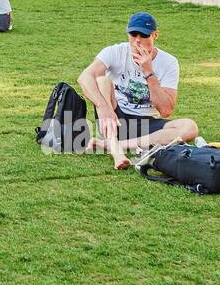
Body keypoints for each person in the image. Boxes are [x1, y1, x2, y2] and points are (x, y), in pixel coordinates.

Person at [80, 12, 198, 170]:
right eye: (133, 34)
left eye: (143, 35)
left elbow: (166, 110)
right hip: (114, 118)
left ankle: (113, 145)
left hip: (146, 123)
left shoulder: (169, 62)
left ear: (155, 35)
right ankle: (117, 152)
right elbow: (84, 77)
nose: (137, 40)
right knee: (101, 80)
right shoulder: (115, 52)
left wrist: (148, 71)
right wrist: (103, 107)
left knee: (189, 127)